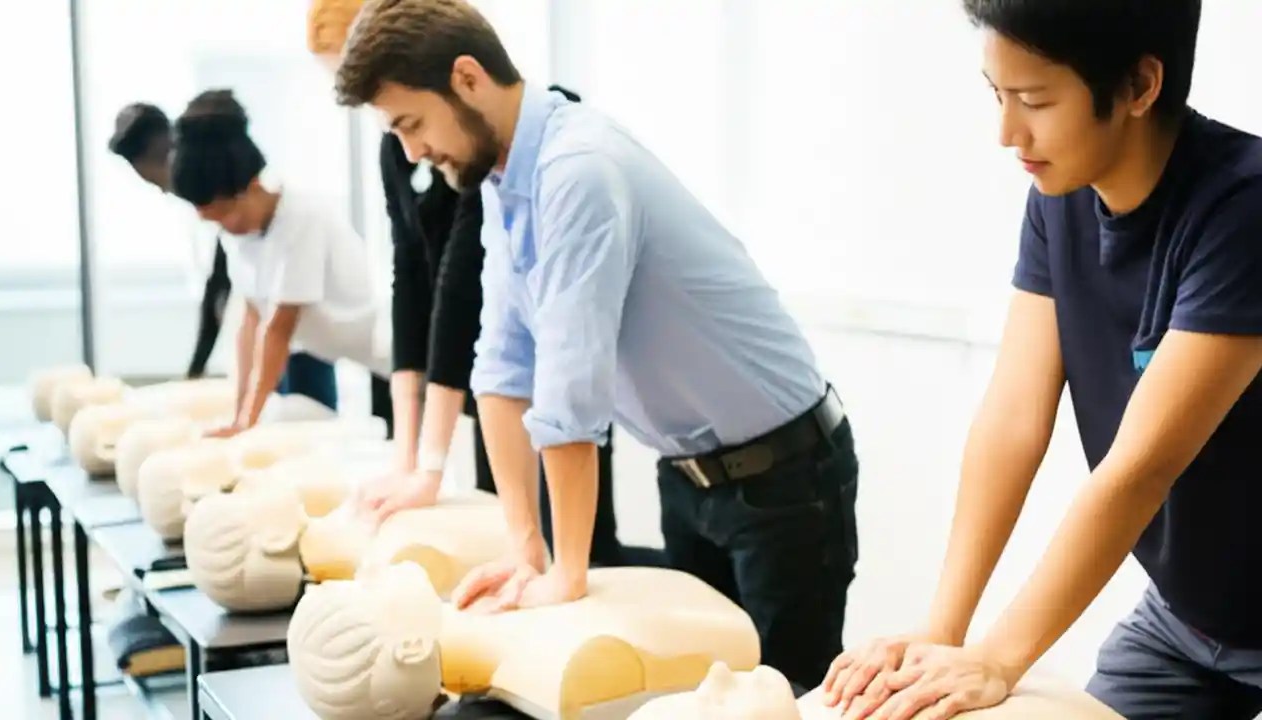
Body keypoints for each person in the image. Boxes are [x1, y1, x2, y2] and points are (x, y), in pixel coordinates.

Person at [333, 0, 859, 691]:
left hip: (787, 479)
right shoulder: (501, 179)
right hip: (689, 477)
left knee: (783, 698)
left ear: (466, 78)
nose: (412, 153)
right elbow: (501, 365)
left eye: (411, 124)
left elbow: (568, 390)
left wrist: (567, 573)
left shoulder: (577, 166)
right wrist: (528, 550)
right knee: (702, 692)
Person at [823, 2, 1262, 719]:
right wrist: (945, 632)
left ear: (1140, 87)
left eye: (1034, 101)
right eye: (997, 95)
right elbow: (1013, 420)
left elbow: (1141, 467)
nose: (1006, 133)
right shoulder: (1060, 200)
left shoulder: (1243, 208)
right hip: (1187, 624)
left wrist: (999, 659)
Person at [305, 0, 653, 567]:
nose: (402, 136)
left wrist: (431, 465)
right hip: (500, 377)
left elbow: (460, 289)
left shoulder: (506, 146)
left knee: (586, 552)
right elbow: (412, 282)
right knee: (515, 534)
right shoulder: (405, 147)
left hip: (552, 372)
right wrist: (407, 457)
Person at [169, 89, 393, 436]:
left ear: (251, 186)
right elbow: (251, 320)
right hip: (357, 356)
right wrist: (239, 413)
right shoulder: (238, 236)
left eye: (225, 213)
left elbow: (278, 329)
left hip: (394, 353)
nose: (224, 227)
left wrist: (248, 422)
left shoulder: (301, 219)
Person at [108, 102, 341, 406]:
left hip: (298, 336)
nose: (161, 189)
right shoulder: (209, 191)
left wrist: (200, 370)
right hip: (272, 331)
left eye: (150, 177)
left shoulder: (222, 187)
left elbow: (221, 283)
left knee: (302, 414)